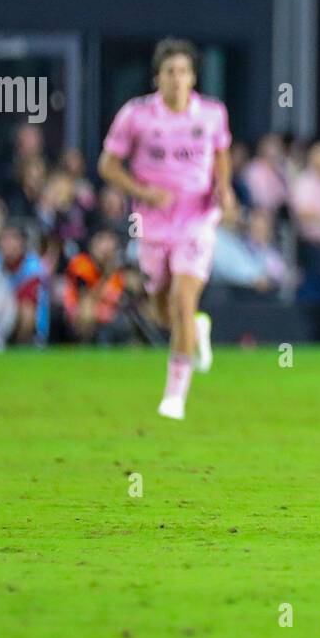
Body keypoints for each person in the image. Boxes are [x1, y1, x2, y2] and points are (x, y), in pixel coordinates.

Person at [98, 38, 236, 420]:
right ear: (157, 77)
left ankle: (175, 396)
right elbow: (107, 165)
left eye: (184, 72)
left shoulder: (211, 114)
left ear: (193, 77)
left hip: (197, 218)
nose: (178, 80)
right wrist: (142, 191)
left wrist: (223, 188)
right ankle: (196, 330)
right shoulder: (136, 115)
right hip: (153, 223)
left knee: (181, 299)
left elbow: (221, 154)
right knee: (162, 310)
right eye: (170, 72)